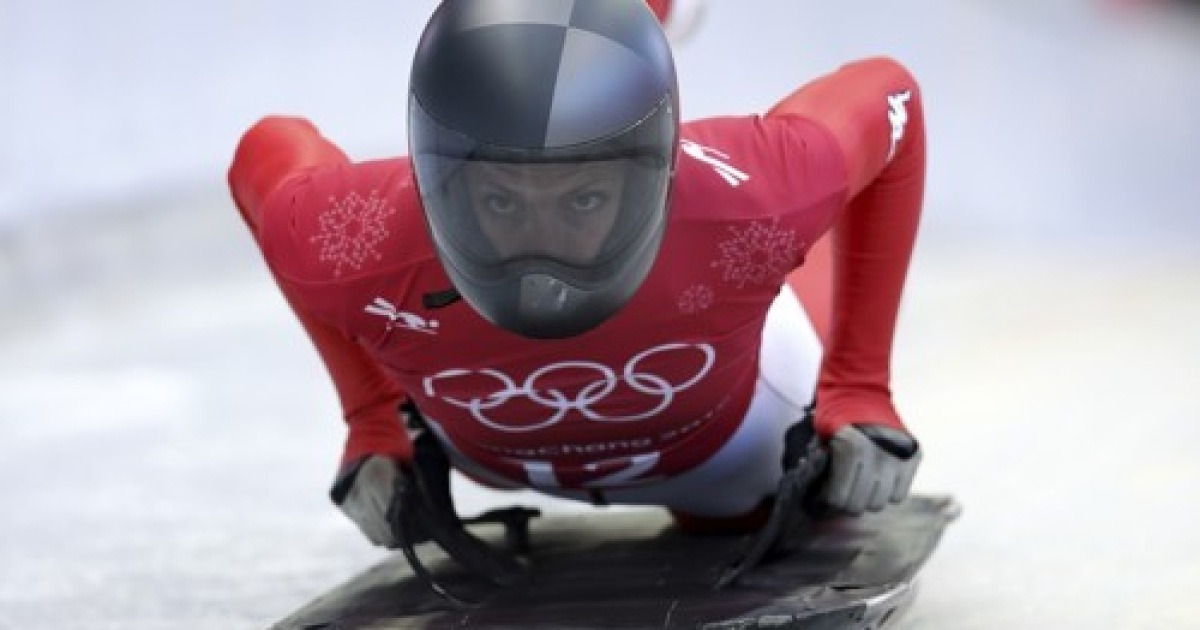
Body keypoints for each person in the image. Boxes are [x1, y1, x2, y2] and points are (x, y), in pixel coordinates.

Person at [228, 0, 926, 550]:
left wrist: (858, 388)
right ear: (443, 186)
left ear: (652, 176)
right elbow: (258, 156)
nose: (544, 248)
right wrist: (371, 419)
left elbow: (891, 91)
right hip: (705, 451)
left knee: (734, 507)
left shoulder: (753, 193)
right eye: (502, 202)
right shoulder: (349, 235)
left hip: (736, 458)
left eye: (584, 200)